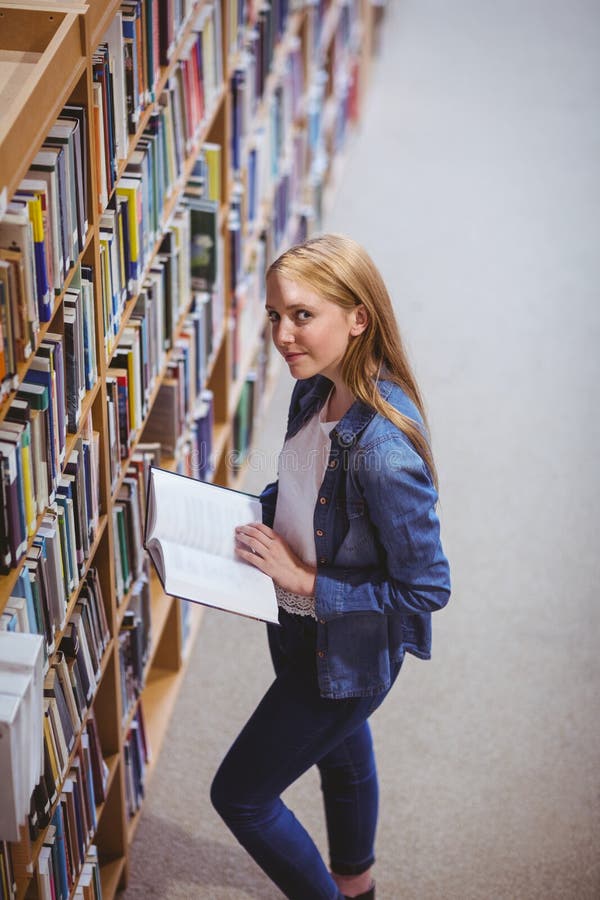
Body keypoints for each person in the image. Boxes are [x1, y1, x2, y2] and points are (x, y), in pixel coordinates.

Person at [210, 234, 451, 899]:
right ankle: (357, 884)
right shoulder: (313, 389)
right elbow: (305, 491)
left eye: (302, 315)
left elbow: (426, 589)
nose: (284, 335)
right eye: (275, 316)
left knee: (241, 795)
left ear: (358, 317)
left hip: (342, 651)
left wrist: (303, 581)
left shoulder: (384, 453)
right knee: (342, 758)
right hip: (292, 626)